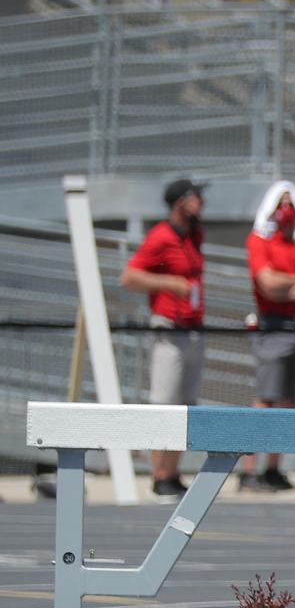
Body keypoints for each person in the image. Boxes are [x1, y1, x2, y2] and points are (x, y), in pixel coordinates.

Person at [120, 178, 208, 501]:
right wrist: (170, 283)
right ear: (180, 202)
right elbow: (130, 276)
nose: (201, 202)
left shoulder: (194, 235)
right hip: (169, 330)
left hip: (193, 328)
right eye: (195, 197)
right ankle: (159, 476)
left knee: (187, 406)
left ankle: (173, 473)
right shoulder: (161, 236)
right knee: (166, 404)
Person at [240, 181, 295, 493]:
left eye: (290, 204)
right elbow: (266, 283)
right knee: (266, 398)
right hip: (273, 325)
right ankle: (248, 471)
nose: (286, 211)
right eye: (281, 204)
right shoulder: (260, 240)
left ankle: (273, 468)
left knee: (289, 401)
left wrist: (284, 286)